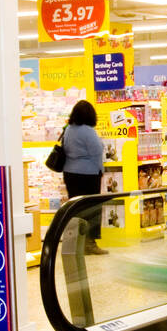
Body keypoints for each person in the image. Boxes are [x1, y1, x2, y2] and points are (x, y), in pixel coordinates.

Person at [61, 100, 108, 255]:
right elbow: (97, 152)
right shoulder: (88, 131)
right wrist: (100, 170)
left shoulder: (68, 129)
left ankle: (74, 243)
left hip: (70, 173)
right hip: (88, 174)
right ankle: (90, 243)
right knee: (92, 209)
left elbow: (65, 148)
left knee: (75, 209)